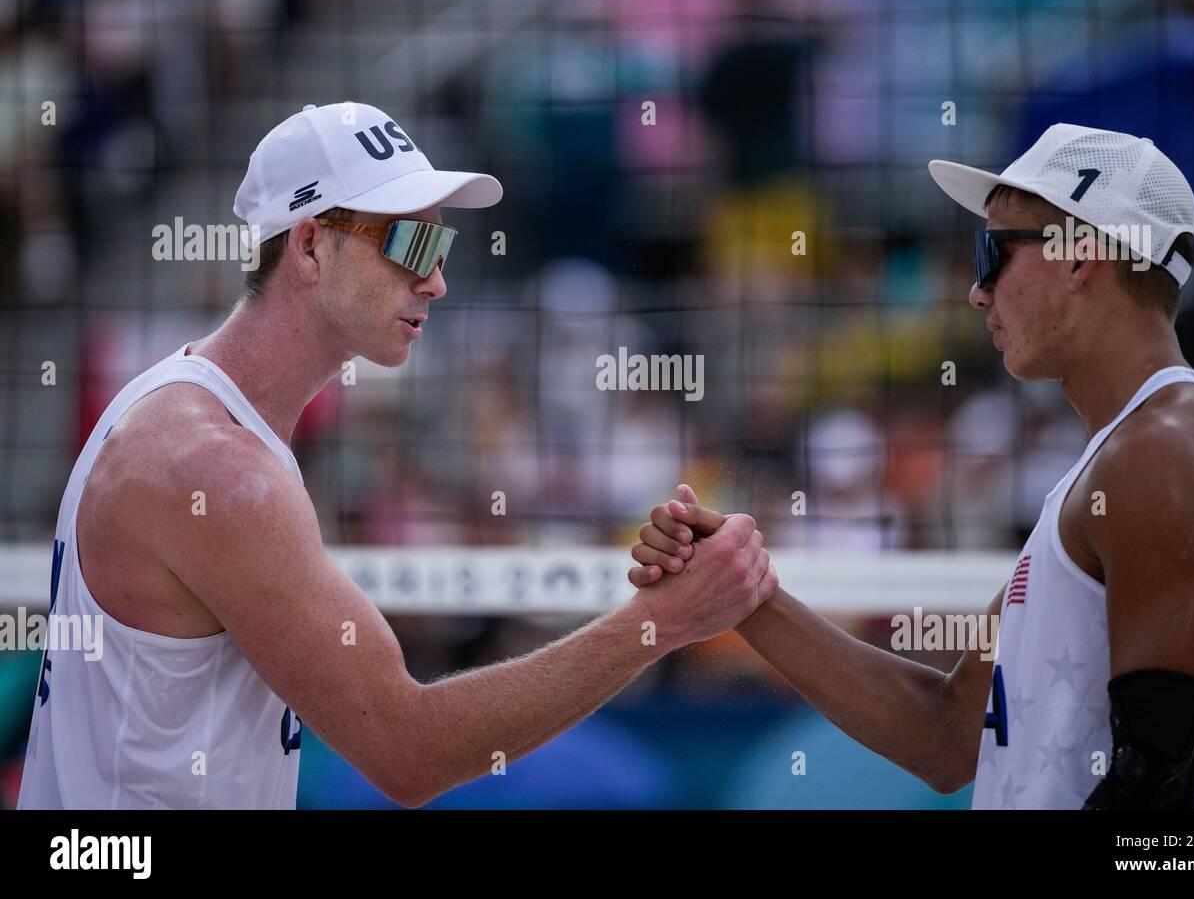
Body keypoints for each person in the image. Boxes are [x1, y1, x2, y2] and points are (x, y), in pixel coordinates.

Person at [18, 101, 778, 809]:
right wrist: (658, 624)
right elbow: (408, 751)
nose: (438, 279)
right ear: (311, 244)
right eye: (411, 243)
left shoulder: (191, 412)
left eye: (440, 243)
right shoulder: (211, 465)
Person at [630, 125, 1194, 809]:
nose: (978, 292)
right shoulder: (1128, 454)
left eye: (992, 252)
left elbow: (1153, 793)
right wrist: (743, 597)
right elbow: (947, 736)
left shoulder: (1168, 451)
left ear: (1078, 259)